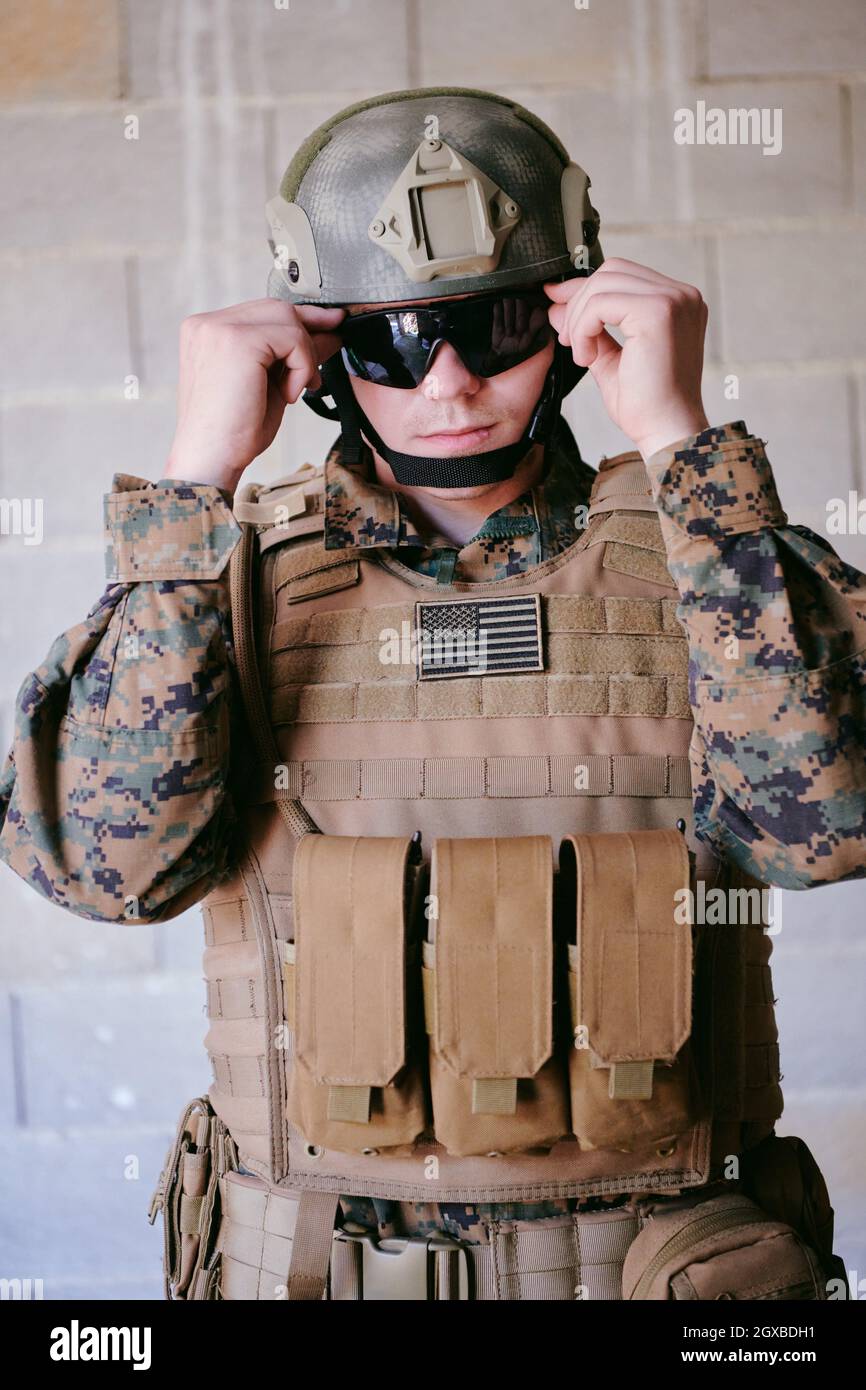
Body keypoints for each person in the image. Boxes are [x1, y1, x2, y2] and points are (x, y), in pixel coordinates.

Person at [1, 86, 863, 1302]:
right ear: (317, 354)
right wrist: (195, 477)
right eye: (393, 340)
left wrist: (682, 447)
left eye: (494, 322)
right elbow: (110, 869)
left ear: (568, 319)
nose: (448, 382)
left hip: (658, 1274)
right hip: (311, 1269)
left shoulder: (708, 561)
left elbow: (823, 829)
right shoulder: (221, 573)